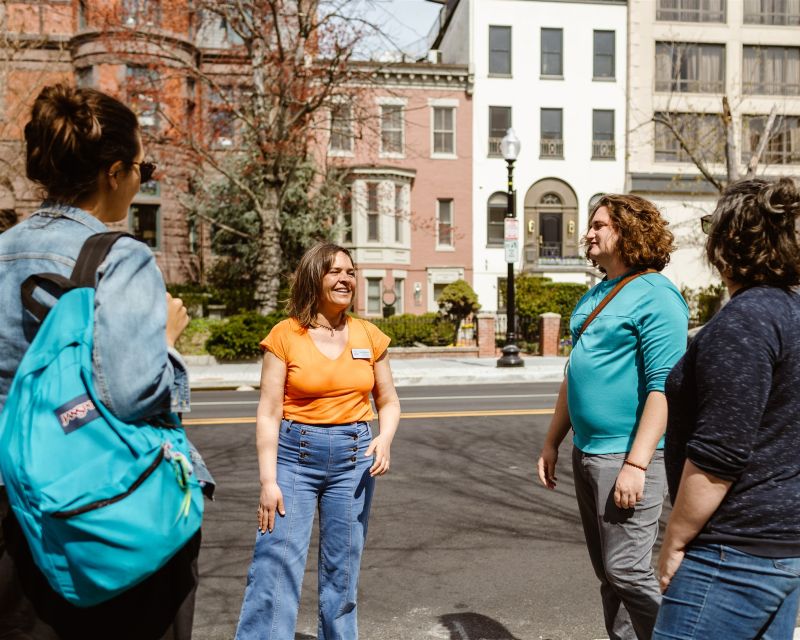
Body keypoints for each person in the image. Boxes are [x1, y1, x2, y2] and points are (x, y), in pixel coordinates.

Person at [0, 84, 209, 639]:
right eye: (144, 165)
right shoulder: (121, 256)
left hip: (13, 506)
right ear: (114, 173)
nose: (145, 178)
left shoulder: (3, 251)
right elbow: (133, 393)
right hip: (95, 511)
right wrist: (166, 339)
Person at [537, 194, 688, 640]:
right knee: (610, 576)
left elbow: (664, 388)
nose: (588, 233)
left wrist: (637, 465)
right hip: (587, 453)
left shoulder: (658, 296)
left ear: (628, 231)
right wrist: (552, 441)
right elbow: (574, 375)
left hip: (627, 456)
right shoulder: (597, 294)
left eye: (599, 225)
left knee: (627, 571)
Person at [654, 178, 800, 640]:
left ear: (728, 240)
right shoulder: (790, 313)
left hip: (733, 554)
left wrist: (675, 540)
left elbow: (719, 454)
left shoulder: (745, 322)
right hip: (779, 545)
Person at [235, 242, 401, 640]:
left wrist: (385, 438)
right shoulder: (285, 335)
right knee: (276, 564)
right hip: (294, 460)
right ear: (315, 277)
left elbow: (390, 402)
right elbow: (269, 411)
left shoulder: (369, 335)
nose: (346, 279)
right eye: (335, 272)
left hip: (354, 462)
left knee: (343, 568)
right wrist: (267, 481)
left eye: (350, 272)